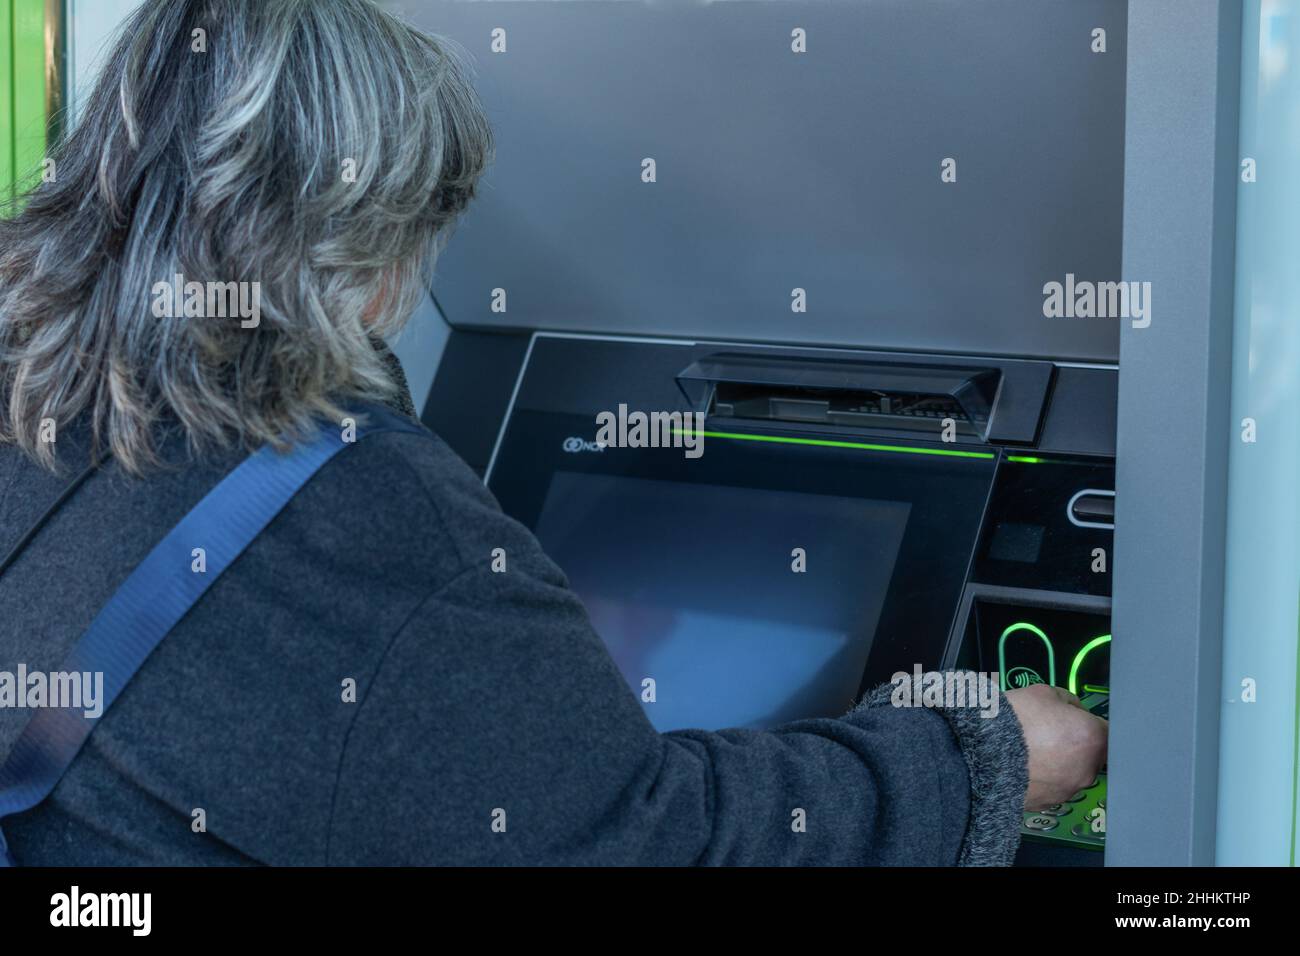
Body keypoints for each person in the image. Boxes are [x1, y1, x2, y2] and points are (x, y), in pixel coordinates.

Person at [0, 0, 1106, 866]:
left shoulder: (44, 403)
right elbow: (640, 842)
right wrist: (981, 761)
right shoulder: (357, 511)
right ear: (370, 243)